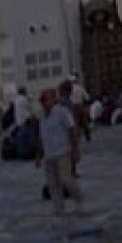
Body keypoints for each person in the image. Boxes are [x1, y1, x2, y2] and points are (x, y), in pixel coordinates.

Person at [38, 86, 81, 217]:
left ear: (53, 99)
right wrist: (38, 155)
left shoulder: (62, 112)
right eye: (41, 100)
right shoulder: (41, 116)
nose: (43, 102)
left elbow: (72, 129)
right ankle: (59, 208)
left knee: (66, 179)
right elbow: (41, 136)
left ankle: (79, 199)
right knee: (53, 184)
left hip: (63, 152)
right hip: (48, 154)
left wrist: (75, 149)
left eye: (45, 99)